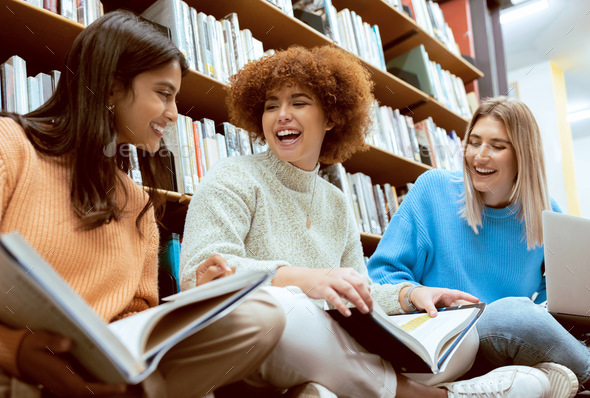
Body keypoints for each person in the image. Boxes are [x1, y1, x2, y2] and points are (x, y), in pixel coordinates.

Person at [179, 46, 568, 397]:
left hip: (332, 342)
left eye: (298, 103)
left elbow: (361, 290)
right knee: (289, 308)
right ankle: (431, 396)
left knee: (463, 337)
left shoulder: (334, 200)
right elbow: (202, 275)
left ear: (331, 117)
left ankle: (323, 389)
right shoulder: (232, 177)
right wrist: (305, 279)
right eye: (270, 105)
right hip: (264, 337)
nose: (282, 116)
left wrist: (413, 296)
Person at [0, 10, 286, 398]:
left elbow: (136, 321)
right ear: (112, 87)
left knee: (260, 317)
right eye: (163, 94)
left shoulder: (138, 205)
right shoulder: (10, 145)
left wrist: (196, 303)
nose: (172, 113)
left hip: (104, 367)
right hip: (17, 364)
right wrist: (15, 351)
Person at [368, 96, 585, 397]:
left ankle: (538, 376)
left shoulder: (546, 211)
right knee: (511, 312)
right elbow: (381, 275)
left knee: (521, 316)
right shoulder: (433, 189)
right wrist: (422, 297)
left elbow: (559, 293)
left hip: (511, 344)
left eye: (497, 146)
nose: (479, 156)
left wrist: (542, 313)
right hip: (447, 339)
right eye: (474, 142)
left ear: (523, 155)